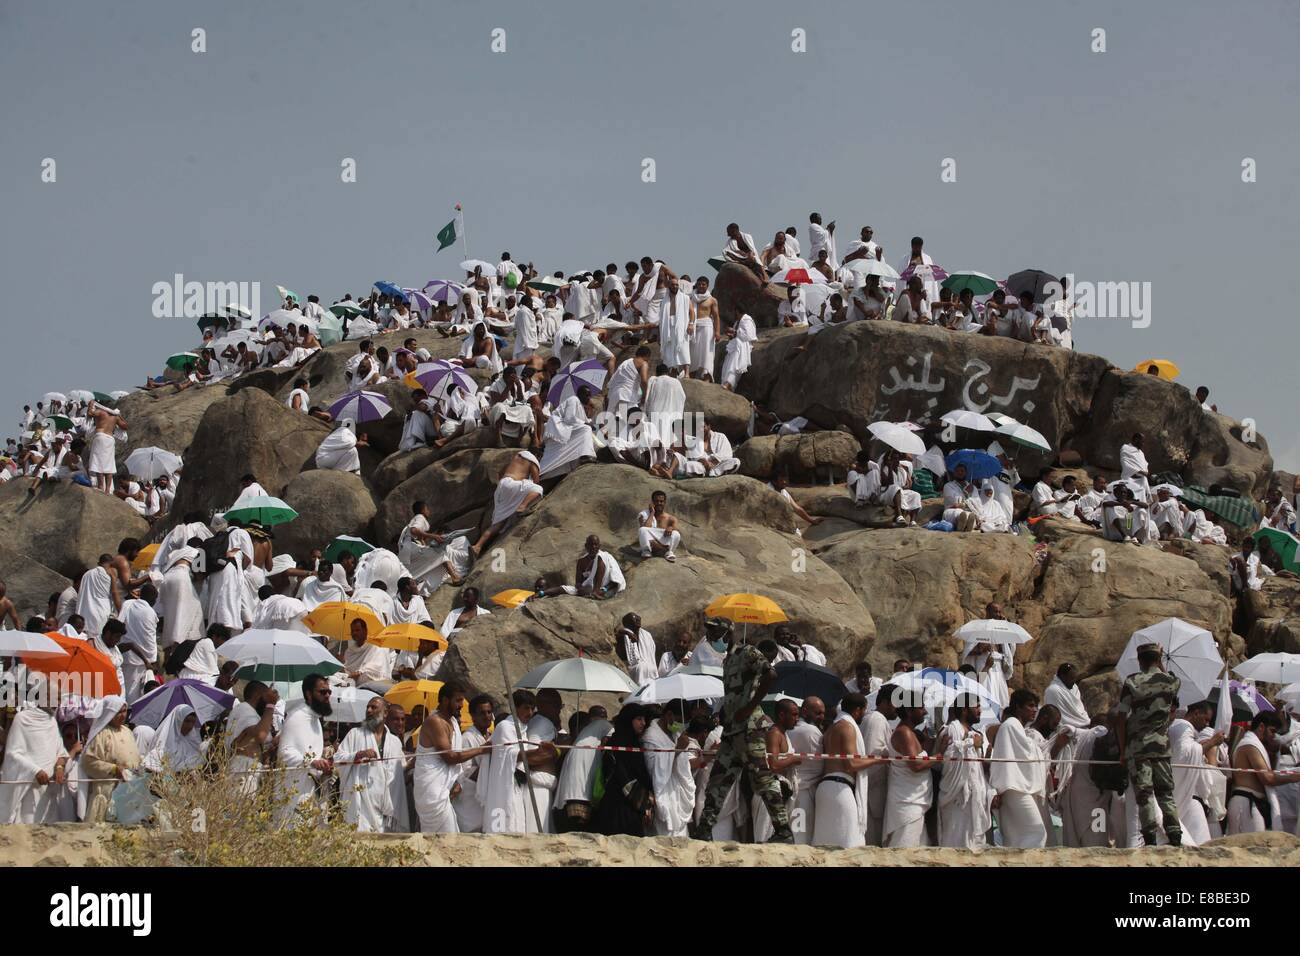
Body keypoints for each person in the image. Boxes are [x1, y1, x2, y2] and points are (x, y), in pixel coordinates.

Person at [695, 636, 793, 843]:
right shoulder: (727, 660)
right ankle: (704, 829)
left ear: (728, 633)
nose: (713, 636)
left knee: (763, 779)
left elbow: (771, 674)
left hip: (750, 728)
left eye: (716, 631)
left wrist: (749, 707)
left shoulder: (748, 652)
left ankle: (783, 830)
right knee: (718, 779)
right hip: (732, 730)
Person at [1117, 643, 1182, 847]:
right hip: (1162, 749)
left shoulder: (1132, 682)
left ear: (1140, 660)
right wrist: (1161, 662)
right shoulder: (1172, 681)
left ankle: (1151, 841)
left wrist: (1122, 750)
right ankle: (1175, 837)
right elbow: (1170, 692)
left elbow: (1120, 717)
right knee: (1165, 794)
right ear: (1158, 658)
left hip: (1138, 750)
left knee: (1145, 796)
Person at [413, 681, 488, 833]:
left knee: (447, 838)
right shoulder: (435, 721)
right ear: (446, 700)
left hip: (444, 790)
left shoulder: (453, 722)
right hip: (432, 790)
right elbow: (450, 757)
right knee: (442, 839)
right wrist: (481, 750)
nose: (461, 705)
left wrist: (457, 780)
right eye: (458, 700)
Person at [0, 689, 68, 824]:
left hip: (48, 793)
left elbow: (61, 753)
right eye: (54, 697)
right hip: (28, 791)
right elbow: (12, 754)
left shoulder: (53, 722)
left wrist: (59, 767)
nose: (58, 703)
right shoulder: (22, 718)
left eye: (60, 699)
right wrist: (35, 770)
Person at [990, 689, 1048, 848]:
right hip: (1014, 788)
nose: (1035, 710)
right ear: (1017, 707)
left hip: (1017, 787)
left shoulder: (1018, 728)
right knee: (1037, 832)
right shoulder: (1011, 725)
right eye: (1030, 705)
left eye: (1036, 706)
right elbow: (1027, 754)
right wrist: (1041, 748)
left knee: (1016, 836)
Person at [1227, 711, 1300, 833]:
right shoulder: (1250, 744)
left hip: (1254, 803)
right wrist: (1297, 776)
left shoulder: (1256, 745)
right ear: (1261, 727)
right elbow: (1268, 778)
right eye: (1272, 731)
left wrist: (1274, 754)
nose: (1274, 736)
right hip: (1245, 803)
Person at [276, 673, 333, 825]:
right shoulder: (297, 717)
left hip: (310, 789)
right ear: (308, 694)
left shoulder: (314, 719)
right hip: (294, 790)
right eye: (322, 692)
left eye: (329, 692)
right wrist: (312, 762)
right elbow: (285, 753)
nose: (327, 695)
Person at [482, 690, 540, 834]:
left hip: (517, 784)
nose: (530, 712)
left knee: (516, 825)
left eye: (532, 708)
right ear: (515, 707)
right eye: (526, 708)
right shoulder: (505, 727)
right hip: (502, 784)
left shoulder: (523, 729)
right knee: (500, 826)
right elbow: (507, 755)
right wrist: (538, 753)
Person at [937, 694, 991, 849]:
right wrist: (969, 743)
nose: (980, 710)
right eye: (976, 707)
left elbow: (977, 769)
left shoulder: (976, 734)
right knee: (955, 842)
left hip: (974, 798)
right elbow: (948, 756)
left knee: (973, 845)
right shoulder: (953, 728)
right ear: (965, 710)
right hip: (957, 797)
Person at [882, 694, 935, 846]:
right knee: (904, 849)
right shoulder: (903, 733)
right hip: (907, 802)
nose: (925, 712)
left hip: (914, 801)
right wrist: (938, 756)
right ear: (909, 711)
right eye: (921, 708)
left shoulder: (910, 733)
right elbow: (916, 765)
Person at [80, 695, 141, 822]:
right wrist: (113, 769)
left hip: (129, 789)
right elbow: (88, 762)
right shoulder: (101, 734)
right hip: (108, 790)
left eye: (124, 711)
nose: (123, 715)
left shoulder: (128, 731)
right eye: (118, 712)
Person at [470, 450, 543, 558]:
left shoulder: (516, 457)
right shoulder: (532, 459)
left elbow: (501, 473)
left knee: (499, 522)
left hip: (502, 485)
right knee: (538, 489)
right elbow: (536, 480)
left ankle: (477, 546)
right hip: (511, 484)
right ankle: (522, 506)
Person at [641, 699, 696, 837]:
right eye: (679, 720)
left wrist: (680, 750)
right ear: (669, 715)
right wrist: (677, 750)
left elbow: (683, 765)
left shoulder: (676, 734)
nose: (682, 725)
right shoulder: (650, 737)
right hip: (663, 793)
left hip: (677, 791)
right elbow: (652, 769)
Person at [452, 693, 496, 833]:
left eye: (489, 712)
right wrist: (490, 765)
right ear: (472, 716)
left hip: (485, 794)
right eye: (482, 713)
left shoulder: (490, 736)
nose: (486, 716)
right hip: (470, 797)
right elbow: (464, 772)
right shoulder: (468, 738)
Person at [614, 612, 658, 686]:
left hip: (650, 669)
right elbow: (616, 633)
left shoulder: (647, 635)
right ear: (628, 624)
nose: (638, 618)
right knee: (640, 668)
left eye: (638, 616)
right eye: (634, 617)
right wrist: (627, 633)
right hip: (635, 669)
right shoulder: (624, 635)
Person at [575, 534, 625, 598]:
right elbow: (578, 582)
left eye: (596, 544)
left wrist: (604, 589)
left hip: (605, 589)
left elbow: (616, 579)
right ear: (586, 546)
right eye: (591, 544)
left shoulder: (606, 557)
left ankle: (596, 591)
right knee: (561, 589)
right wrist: (580, 588)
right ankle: (593, 592)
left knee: (599, 557)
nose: (593, 547)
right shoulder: (581, 561)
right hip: (587, 589)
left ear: (599, 546)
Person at [638, 490, 681, 561]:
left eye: (661, 501)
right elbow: (645, 528)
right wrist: (652, 513)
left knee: (676, 534)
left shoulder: (671, 518)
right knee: (642, 529)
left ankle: (669, 552)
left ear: (665, 502)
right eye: (656, 501)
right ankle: (646, 551)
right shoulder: (644, 515)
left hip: (663, 544)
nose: (659, 503)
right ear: (652, 502)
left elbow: (676, 531)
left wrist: (671, 527)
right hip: (650, 545)